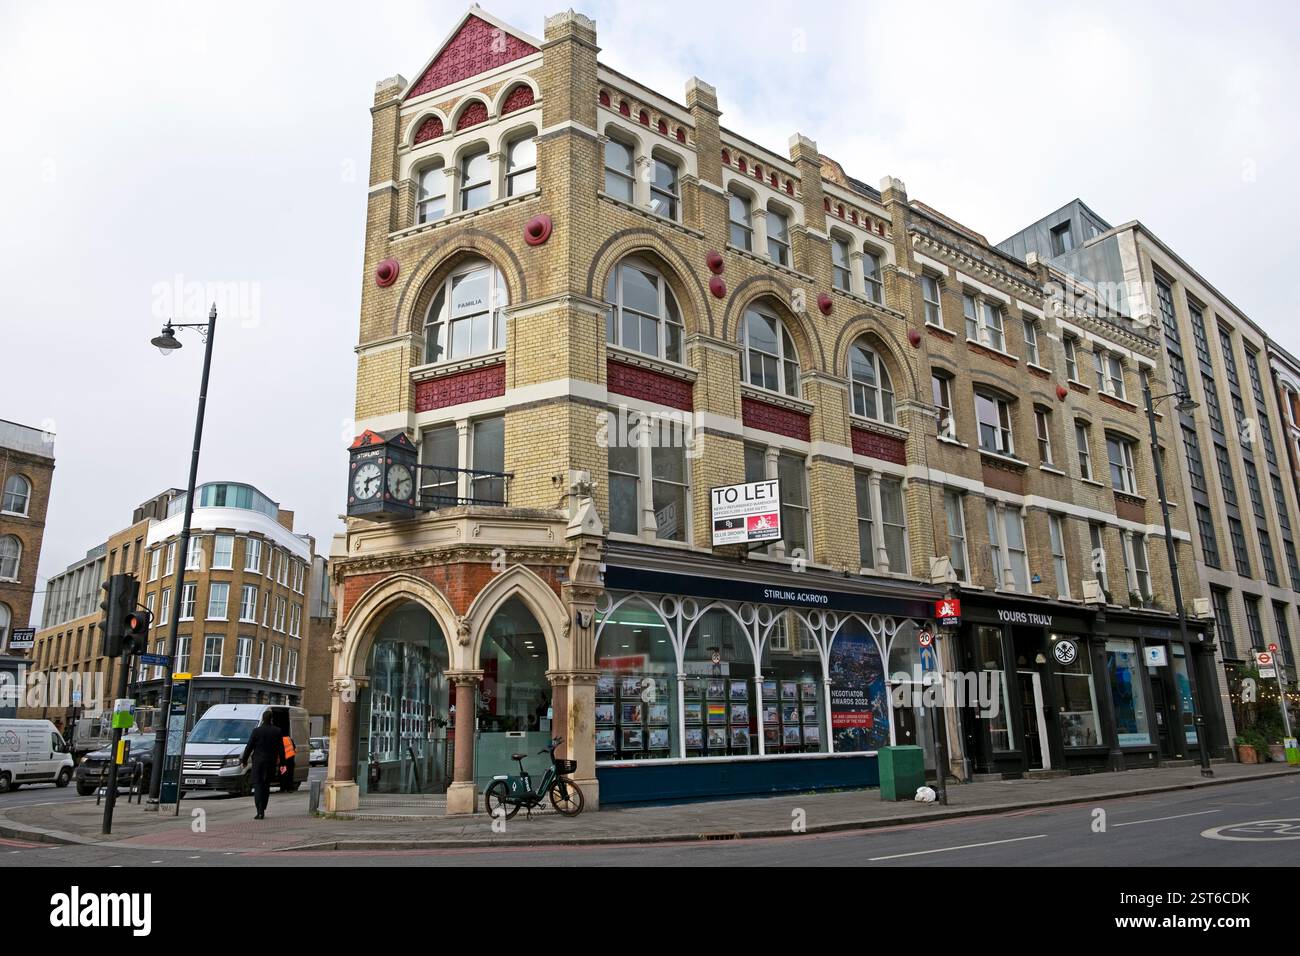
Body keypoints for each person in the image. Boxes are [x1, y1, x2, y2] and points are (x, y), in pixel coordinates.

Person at [240, 711, 284, 820]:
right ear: (271, 719)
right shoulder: (277, 731)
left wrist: (244, 760)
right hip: (270, 762)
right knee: (266, 786)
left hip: (258, 763)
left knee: (258, 786)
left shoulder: (256, 731)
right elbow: (281, 749)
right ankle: (263, 807)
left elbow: (249, 747)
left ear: (263, 719)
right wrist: (283, 763)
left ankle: (259, 811)